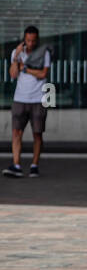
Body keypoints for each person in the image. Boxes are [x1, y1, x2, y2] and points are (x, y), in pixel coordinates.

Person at [6, 26, 50, 178]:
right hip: (20, 98)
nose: (30, 43)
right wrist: (16, 57)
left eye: (33, 40)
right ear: (24, 39)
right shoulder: (16, 53)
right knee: (16, 132)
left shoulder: (44, 53)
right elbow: (12, 74)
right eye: (28, 40)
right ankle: (16, 165)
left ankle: (34, 165)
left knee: (37, 134)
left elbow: (43, 73)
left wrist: (25, 69)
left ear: (37, 40)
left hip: (39, 98)